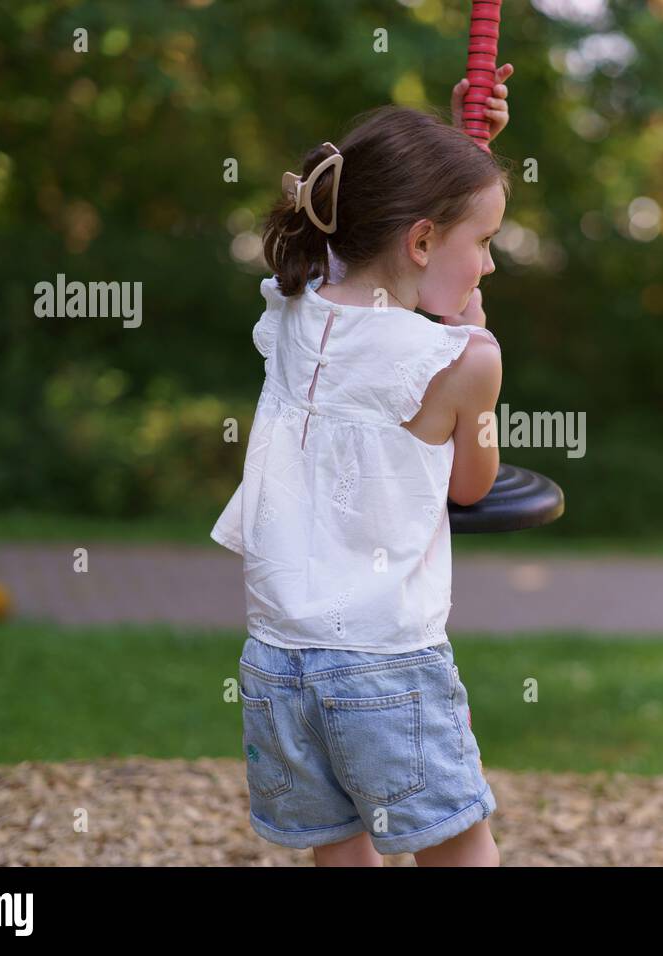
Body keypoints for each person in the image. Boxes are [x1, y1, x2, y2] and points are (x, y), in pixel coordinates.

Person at [210, 70, 516, 867]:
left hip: (278, 662)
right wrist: (476, 338)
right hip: (388, 664)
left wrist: (460, 150)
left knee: (338, 852)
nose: (487, 267)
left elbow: (380, 251)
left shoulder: (289, 309)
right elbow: (472, 485)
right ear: (421, 241)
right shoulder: (466, 361)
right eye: (483, 245)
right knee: (459, 850)